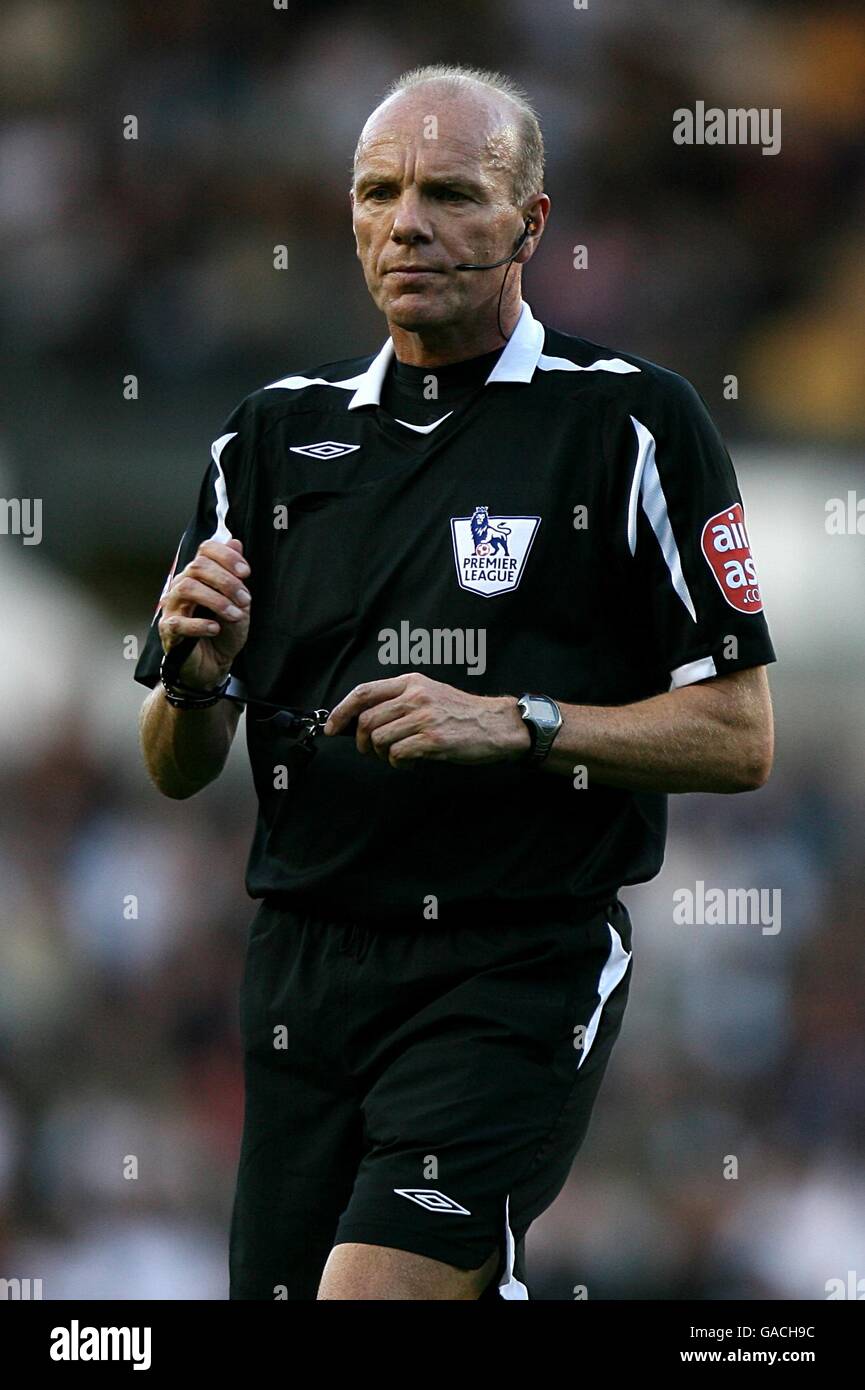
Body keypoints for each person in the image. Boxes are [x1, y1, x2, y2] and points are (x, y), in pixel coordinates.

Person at [134, 64, 776, 1300]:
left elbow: (740, 735)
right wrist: (198, 681)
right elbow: (173, 765)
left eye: (449, 193)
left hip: (509, 963)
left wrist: (518, 721)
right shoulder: (267, 437)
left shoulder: (630, 424)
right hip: (303, 970)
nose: (406, 224)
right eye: (378, 191)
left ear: (529, 222)